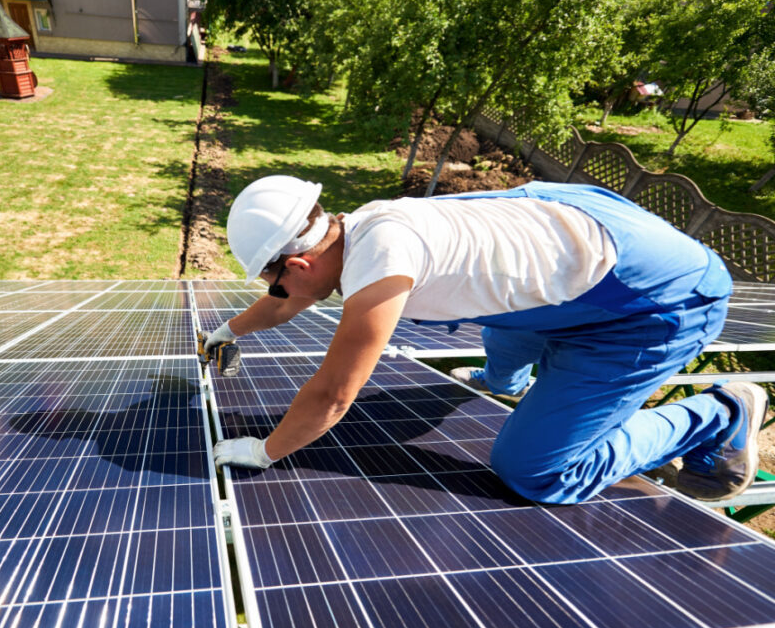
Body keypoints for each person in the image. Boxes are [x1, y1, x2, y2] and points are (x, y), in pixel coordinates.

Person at [205, 175, 768, 504]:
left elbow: (333, 394)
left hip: (652, 304)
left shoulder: (381, 257)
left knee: (535, 471)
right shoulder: (358, 225)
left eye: (273, 279)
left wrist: (265, 449)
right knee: (501, 319)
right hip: (577, 246)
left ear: (300, 260)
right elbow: (294, 296)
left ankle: (720, 413)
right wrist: (227, 330)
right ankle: (505, 380)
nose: (277, 292)